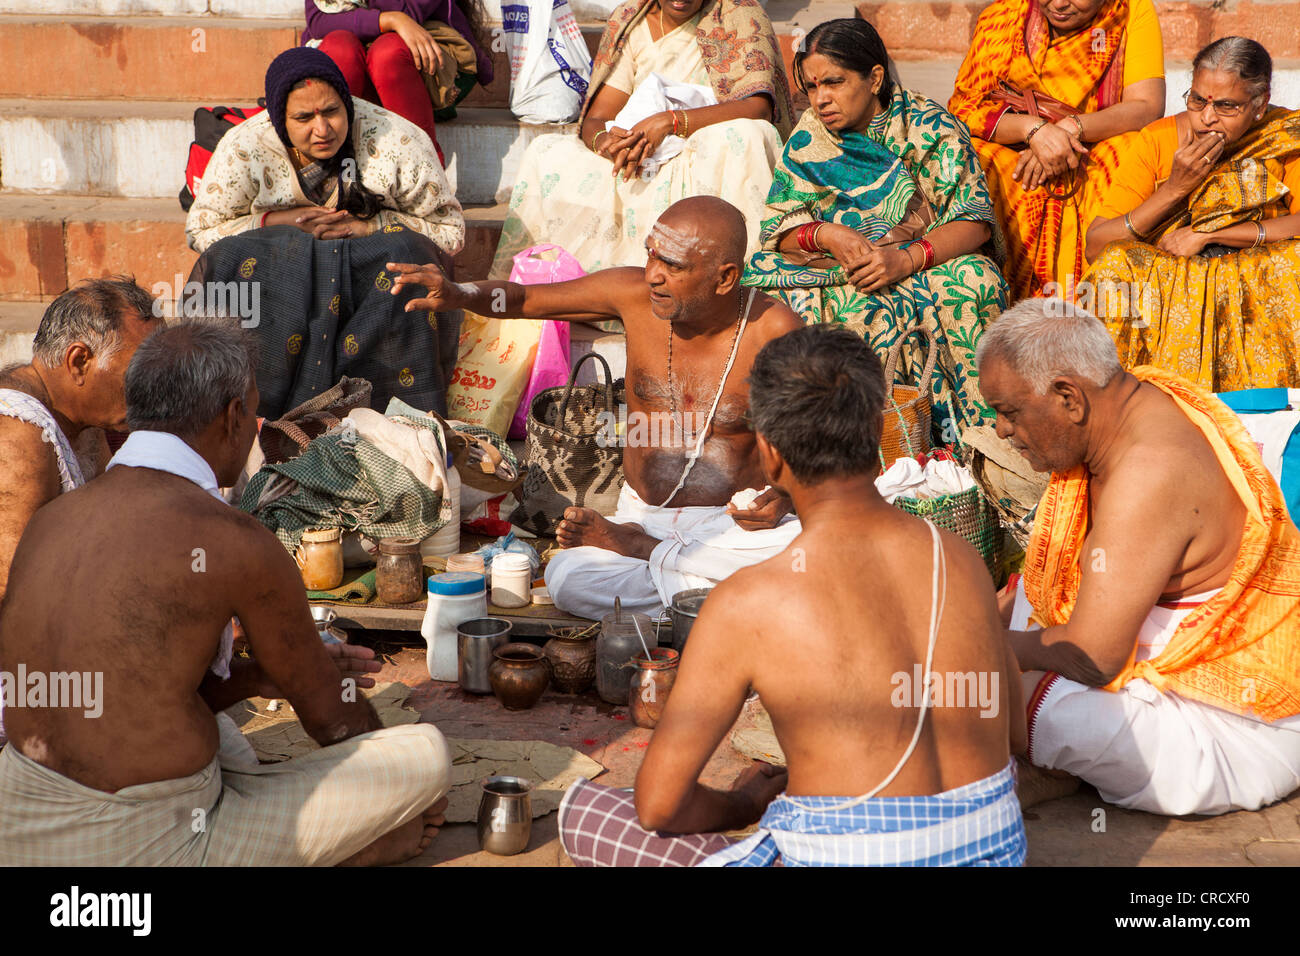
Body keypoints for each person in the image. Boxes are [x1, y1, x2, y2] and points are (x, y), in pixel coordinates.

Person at [557, 324, 1027, 866]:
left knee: (588, 812)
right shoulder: (962, 558)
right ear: (876, 435)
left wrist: (745, 803)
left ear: (770, 455)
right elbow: (1013, 734)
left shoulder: (745, 602)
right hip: (992, 851)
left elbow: (659, 807)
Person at [0, 319, 452, 865]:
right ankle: (342, 848)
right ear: (235, 416)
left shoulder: (52, 519)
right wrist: (384, 793)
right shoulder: (233, 538)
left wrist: (256, 677)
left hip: (19, 815)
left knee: (226, 742)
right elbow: (332, 720)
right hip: (141, 839)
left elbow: (130, 690)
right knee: (422, 756)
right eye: (254, 413)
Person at [390, 196, 805, 619]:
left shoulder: (773, 329)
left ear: (725, 278)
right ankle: (713, 603)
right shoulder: (634, 295)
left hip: (728, 528)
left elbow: (816, 442)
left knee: (797, 556)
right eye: (650, 255)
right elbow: (522, 301)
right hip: (641, 519)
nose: (653, 275)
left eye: (673, 266)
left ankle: (671, 581)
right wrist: (462, 293)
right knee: (569, 577)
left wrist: (786, 496)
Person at [978, 300, 1300, 816]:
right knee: (1007, 620)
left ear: (1069, 398)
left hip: (1238, 723)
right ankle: (1039, 748)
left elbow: (1093, 656)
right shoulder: (1132, 398)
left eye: (1009, 412)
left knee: (982, 687)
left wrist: (978, 648)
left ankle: (1037, 747)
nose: (999, 431)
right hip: (1155, 664)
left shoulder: (1149, 470)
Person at [744, 18, 1007, 443]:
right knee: (764, 283)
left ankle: (972, 439)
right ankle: (813, 443)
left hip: (923, 261)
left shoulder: (929, 127)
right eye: (812, 88)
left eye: (834, 82)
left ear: (875, 78)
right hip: (838, 267)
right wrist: (828, 235)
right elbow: (780, 228)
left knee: (974, 280)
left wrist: (902, 260)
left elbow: (973, 221)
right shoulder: (810, 135)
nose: (821, 99)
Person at [185, 46, 465, 419]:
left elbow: (449, 230)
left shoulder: (397, 140)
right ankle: (253, 411)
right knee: (231, 258)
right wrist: (276, 223)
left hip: (372, 279)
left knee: (408, 250)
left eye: (332, 111)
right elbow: (201, 230)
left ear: (347, 105)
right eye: (304, 118)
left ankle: (396, 415)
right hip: (281, 279)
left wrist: (370, 227)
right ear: (278, 120)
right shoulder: (245, 147)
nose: (322, 129)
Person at [487, 0, 794, 280]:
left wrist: (671, 123)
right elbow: (596, 118)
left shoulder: (738, 13)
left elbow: (758, 108)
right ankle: (552, 285)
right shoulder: (629, 20)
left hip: (704, 152)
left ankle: (746, 280)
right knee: (547, 150)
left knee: (749, 134)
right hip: (641, 154)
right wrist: (608, 143)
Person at [1084, 37, 1300, 392]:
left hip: (1254, 273)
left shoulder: (1285, 139)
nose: (1207, 117)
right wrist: (1174, 189)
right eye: (1198, 100)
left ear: (1259, 104)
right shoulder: (1160, 139)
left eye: (1227, 106)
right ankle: (1125, 399)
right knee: (1116, 263)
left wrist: (1212, 235)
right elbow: (1097, 245)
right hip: (1168, 275)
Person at [948, 0, 1166, 300]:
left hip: (1095, 142)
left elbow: (1146, 107)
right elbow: (965, 107)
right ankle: (1004, 302)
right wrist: (1033, 130)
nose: (1060, 4)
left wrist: (1070, 129)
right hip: (1016, 146)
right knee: (974, 156)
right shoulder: (1003, 15)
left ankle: (1096, 310)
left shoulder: (1129, 10)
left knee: (1130, 153)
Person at [0, 277, 159, 602]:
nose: (149, 391)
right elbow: (10, 588)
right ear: (79, 361)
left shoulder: (86, 419)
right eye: (137, 374)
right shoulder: (18, 433)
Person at [303, 0, 495, 166]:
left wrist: (398, 18)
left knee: (387, 52)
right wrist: (392, 20)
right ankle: (337, 173)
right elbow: (320, 23)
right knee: (340, 46)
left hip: (426, 77)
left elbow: (404, 10)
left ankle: (424, 171)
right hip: (358, 71)